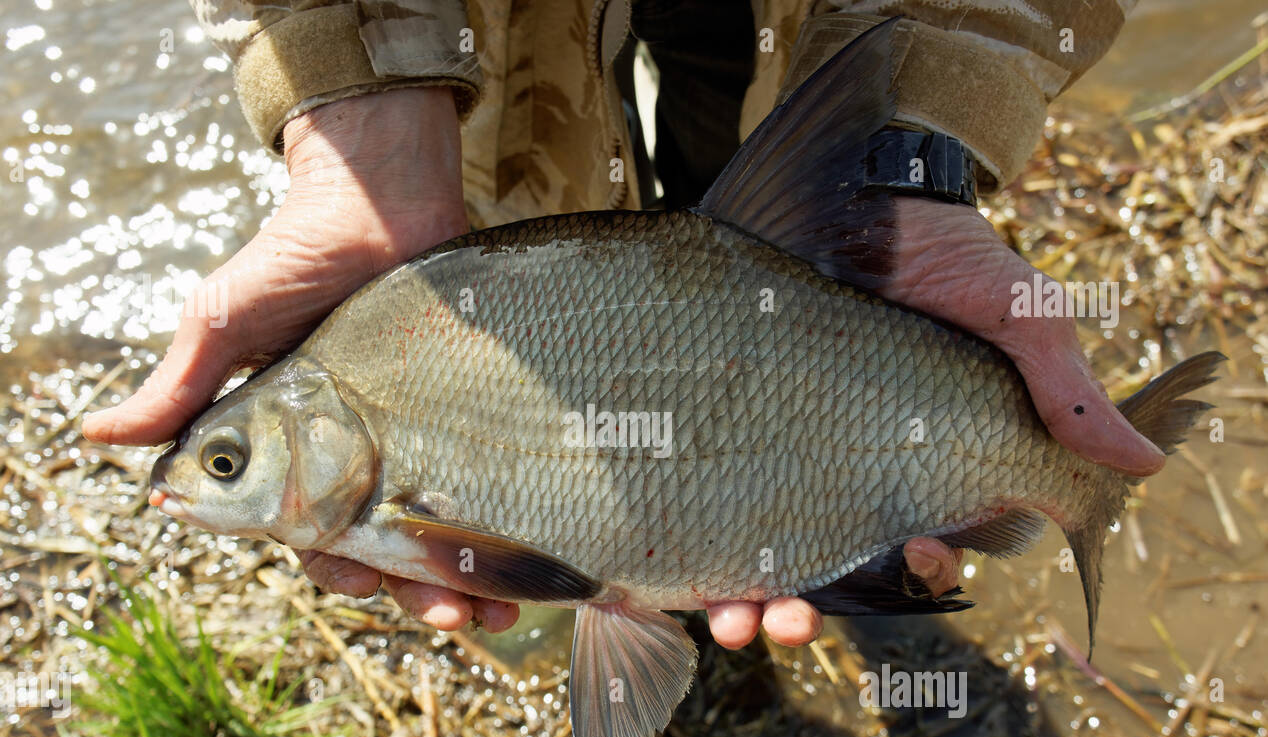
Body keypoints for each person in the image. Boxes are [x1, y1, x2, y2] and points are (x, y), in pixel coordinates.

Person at [83, 0, 1163, 651]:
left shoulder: (374, 446)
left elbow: (528, 568)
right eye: (228, 459)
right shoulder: (364, 358)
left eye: (227, 457)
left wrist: (909, 141)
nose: (203, 481)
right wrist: (358, 96)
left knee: (723, 114)